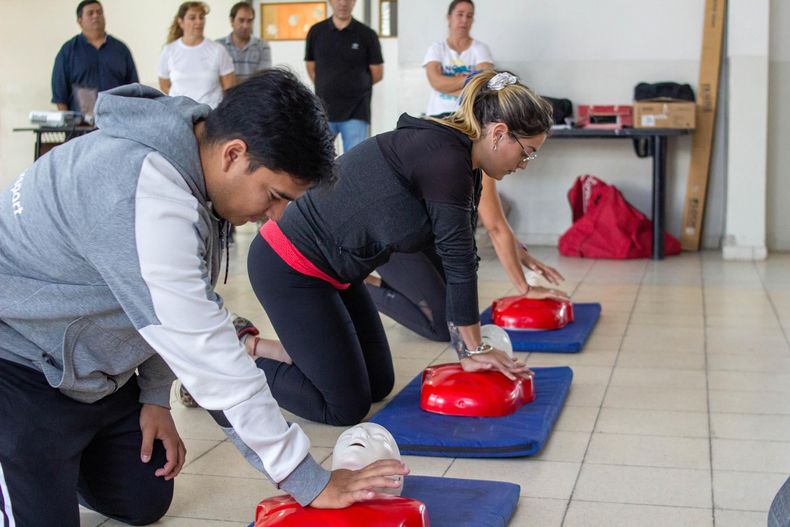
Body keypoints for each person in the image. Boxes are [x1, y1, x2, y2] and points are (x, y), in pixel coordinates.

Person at [0, 69, 407, 526]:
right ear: (234, 154)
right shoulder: (143, 194)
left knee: (141, 498)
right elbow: (208, 354)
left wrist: (154, 395)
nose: (272, 218)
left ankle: (57, 461)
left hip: (87, 365)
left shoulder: (189, 161)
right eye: (274, 196)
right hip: (19, 363)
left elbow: (159, 303)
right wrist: (308, 481)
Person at [244, 70, 549, 428]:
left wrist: (467, 344)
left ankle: (293, 356)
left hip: (339, 275)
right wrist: (473, 350)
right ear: (499, 134)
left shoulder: (467, 166)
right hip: (288, 266)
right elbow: (458, 262)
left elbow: (460, 255)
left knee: (378, 385)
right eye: (527, 153)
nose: (524, 165)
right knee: (343, 408)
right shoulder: (445, 160)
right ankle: (234, 361)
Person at [367, 174, 566, 342]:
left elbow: (496, 221)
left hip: (419, 235)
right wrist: (525, 288)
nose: (522, 164)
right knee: (447, 329)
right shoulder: (473, 155)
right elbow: (495, 227)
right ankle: (359, 286)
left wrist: (521, 253)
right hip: (391, 235)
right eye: (526, 153)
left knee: (454, 309)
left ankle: (378, 283)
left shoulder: (476, 152)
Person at [305, 0, 383, 153]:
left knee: (354, 162)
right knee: (319, 161)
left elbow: (377, 73)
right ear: (330, 2)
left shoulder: (367, 35)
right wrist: (328, 85)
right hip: (323, 111)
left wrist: (355, 86)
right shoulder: (316, 32)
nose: (343, 3)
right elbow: (311, 66)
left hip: (357, 111)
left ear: (354, 2)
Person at [52, 0, 139, 117]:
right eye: (90, 13)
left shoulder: (120, 50)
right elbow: (60, 94)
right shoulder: (68, 51)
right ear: (79, 21)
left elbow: (134, 90)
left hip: (117, 123)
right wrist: (68, 125)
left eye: (99, 12)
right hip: (80, 127)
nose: (96, 16)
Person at [159, 1, 237, 109]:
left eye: (201, 17)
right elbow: (164, 85)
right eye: (192, 18)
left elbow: (230, 87)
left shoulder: (218, 50)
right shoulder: (169, 51)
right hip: (179, 115)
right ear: (181, 22)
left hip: (210, 116)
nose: (199, 22)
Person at [423, 0, 493, 118]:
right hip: (438, 115)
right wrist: (470, 79)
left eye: (469, 16)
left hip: (470, 114)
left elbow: (482, 84)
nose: (464, 20)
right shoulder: (436, 49)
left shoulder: (481, 49)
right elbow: (436, 83)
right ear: (449, 17)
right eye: (460, 14)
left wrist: (446, 86)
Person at [217, 2, 272, 83]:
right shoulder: (219, 46)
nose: (245, 25)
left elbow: (264, 79)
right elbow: (215, 79)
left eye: (249, 21)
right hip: (227, 95)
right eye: (241, 20)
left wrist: (230, 80)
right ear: (232, 20)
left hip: (253, 95)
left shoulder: (262, 46)